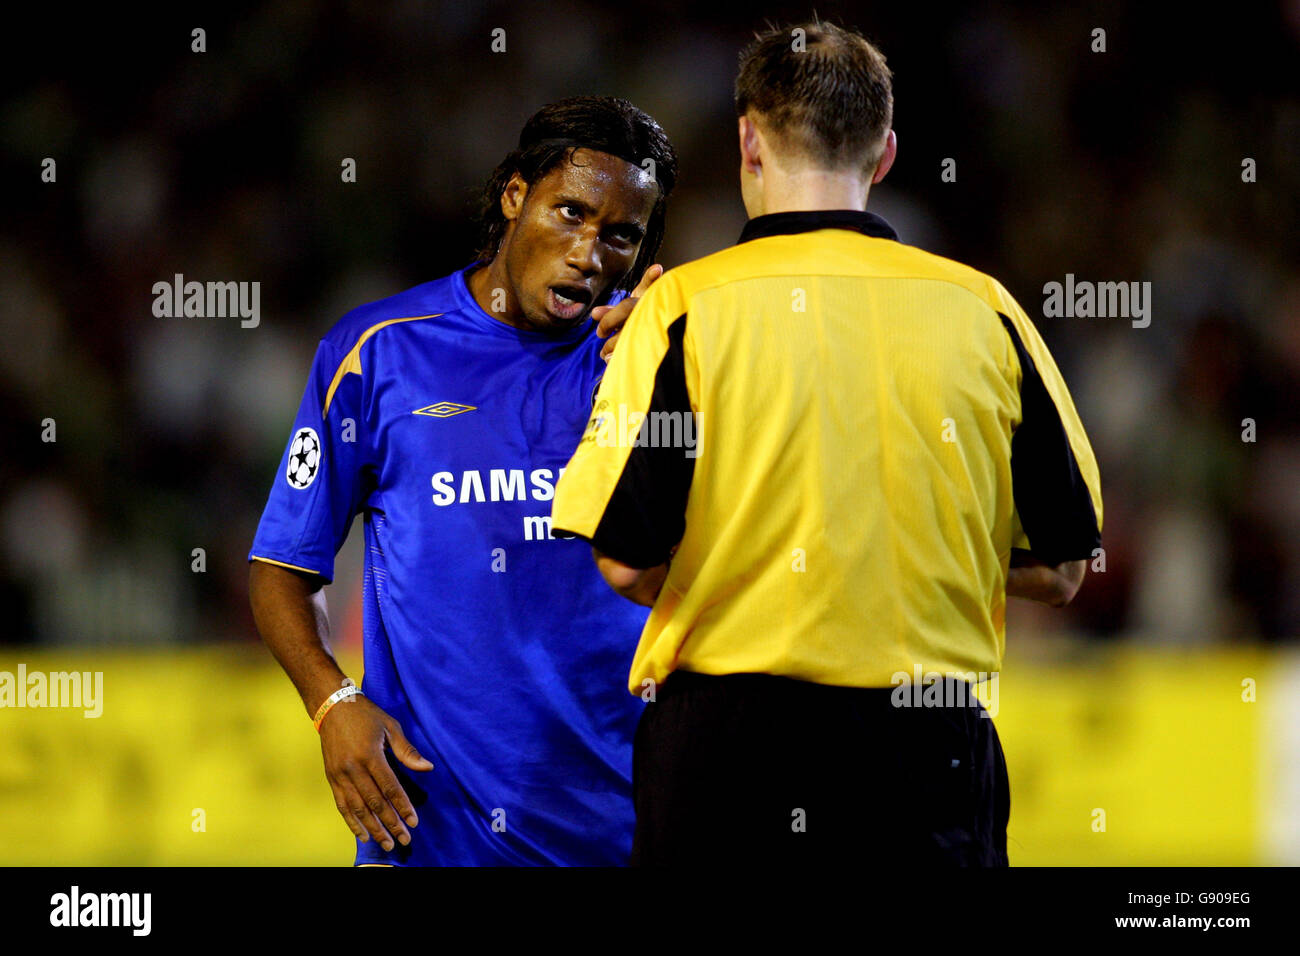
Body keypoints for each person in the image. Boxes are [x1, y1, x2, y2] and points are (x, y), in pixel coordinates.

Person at [550, 22, 1102, 865]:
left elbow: (625, 561)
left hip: (727, 755)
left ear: (747, 141)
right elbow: (1065, 567)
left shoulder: (683, 310)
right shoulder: (987, 311)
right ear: (883, 156)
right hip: (930, 747)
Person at [248, 96, 677, 866]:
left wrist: (679, 363)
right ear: (516, 196)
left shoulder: (656, 361)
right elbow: (282, 565)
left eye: (621, 235)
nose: (589, 253)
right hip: (432, 834)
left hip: (622, 831)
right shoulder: (378, 352)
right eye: (570, 213)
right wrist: (332, 702)